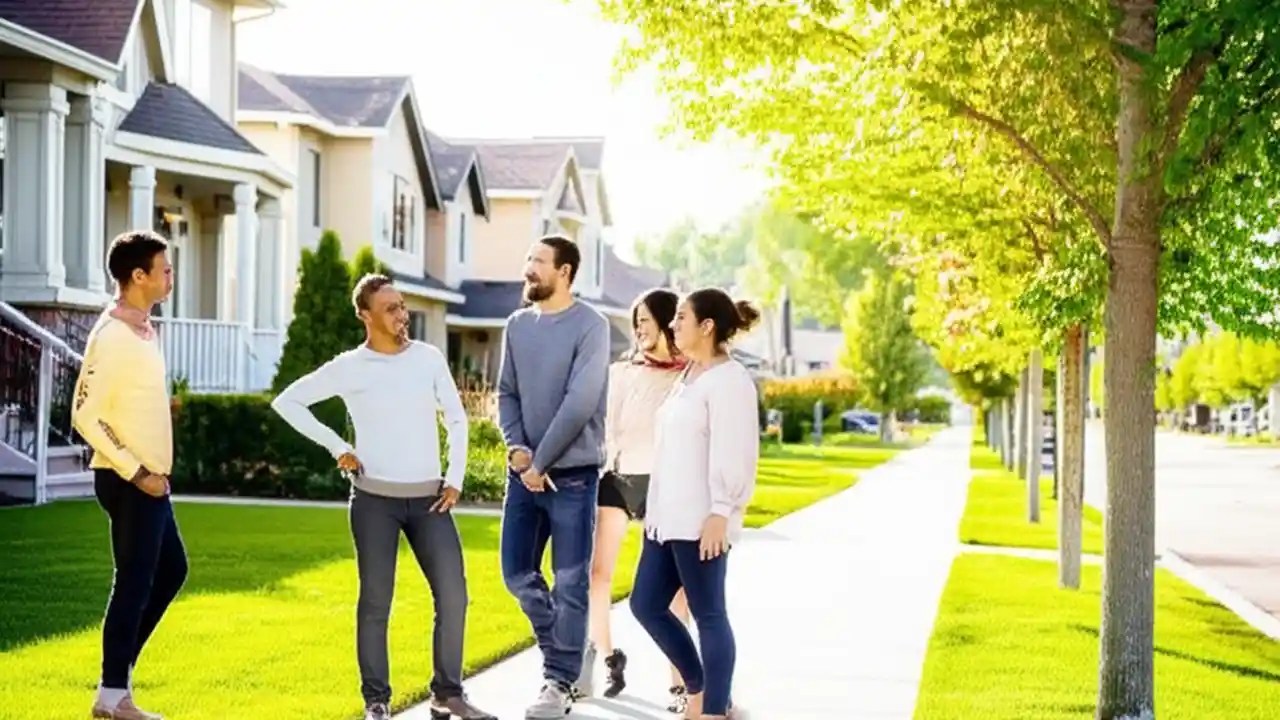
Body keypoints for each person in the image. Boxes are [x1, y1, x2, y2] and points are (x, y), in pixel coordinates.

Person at [271, 274, 495, 720]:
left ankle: (447, 693)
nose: (401, 314)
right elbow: (288, 402)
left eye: (402, 305)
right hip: (374, 502)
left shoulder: (428, 359)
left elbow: (456, 418)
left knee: (453, 595)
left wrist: (454, 478)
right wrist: (339, 447)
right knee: (376, 603)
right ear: (365, 316)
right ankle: (376, 701)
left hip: (430, 500)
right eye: (390, 308)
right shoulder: (350, 366)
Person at [629, 288, 761, 720]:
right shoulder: (690, 375)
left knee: (709, 614)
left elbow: (734, 451)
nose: (672, 324)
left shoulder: (730, 381)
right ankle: (703, 689)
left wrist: (721, 511)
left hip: (701, 520)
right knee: (646, 604)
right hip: (666, 520)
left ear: (707, 327)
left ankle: (713, 711)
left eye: (681, 317)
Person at [497, 234, 611, 719]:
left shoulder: (592, 326)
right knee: (516, 574)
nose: (529, 267)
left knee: (569, 584)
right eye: (528, 258)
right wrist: (518, 451)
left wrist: (540, 463)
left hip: (573, 478)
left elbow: (580, 402)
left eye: (539, 261)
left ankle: (558, 682)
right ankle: (571, 652)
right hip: (525, 475)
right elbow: (506, 393)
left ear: (564, 272)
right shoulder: (517, 325)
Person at [73, 230, 185, 720]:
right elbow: (85, 414)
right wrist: (138, 473)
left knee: (171, 571)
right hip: (129, 481)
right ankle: (112, 693)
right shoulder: (112, 336)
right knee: (135, 583)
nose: (171, 276)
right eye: (164, 269)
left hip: (151, 480)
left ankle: (115, 675)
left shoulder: (142, 329)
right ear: (138, 276)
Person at [572, 288, 694, 712]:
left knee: (675, 592)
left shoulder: (688, 375)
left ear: (666, 322)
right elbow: (606, 425)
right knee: (598, 574)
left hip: (666, 485)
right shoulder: (623, 372)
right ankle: (608, 658)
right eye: (635, 322)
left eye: (645, 321)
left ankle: (680, 685)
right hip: (619, 480)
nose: (638, 329)